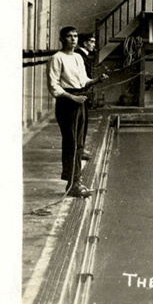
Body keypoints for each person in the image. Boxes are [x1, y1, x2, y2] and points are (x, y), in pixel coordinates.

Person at [47, 26, 108, 198]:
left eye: (75, 36)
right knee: (71, 143)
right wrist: (72, 98)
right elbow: (54, 86)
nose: (73, 39)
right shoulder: (56, 58)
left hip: (80, 100)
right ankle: (72, 184)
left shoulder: (78, 58)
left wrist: (96, 80)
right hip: (67, 103)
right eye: (69, 36)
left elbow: (83, 80)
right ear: (61, 39)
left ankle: (76, 180)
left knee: (79, 143)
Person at [76, 33, 97, 158]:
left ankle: (80, 150)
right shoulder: (80, 56)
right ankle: (79, 151)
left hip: (84, 93)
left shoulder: (84, 56)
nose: (94, 45)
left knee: (83, 123)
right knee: (81, 124)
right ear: (85, 43)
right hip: (80, 93)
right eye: (92, 42)